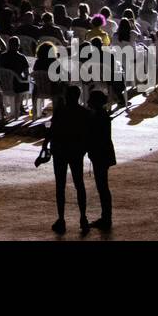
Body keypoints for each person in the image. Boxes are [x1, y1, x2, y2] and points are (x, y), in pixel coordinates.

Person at [44, 85, 90, 234]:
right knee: (79, 184)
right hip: (76, 151)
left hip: (60, 150)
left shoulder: (60, 111)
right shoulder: (84, 113)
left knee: (60, 186)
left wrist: (45, 146)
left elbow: (52, 130)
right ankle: (83, 218)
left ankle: (61, 219)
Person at [86, 90, 116, 231]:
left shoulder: (98, 116)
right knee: (103, 186)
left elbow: (94, 136)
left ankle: (106, 218)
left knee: (102, 187)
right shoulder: (102, 115)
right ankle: (106, 217)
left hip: (100, 155)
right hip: (103, 154)